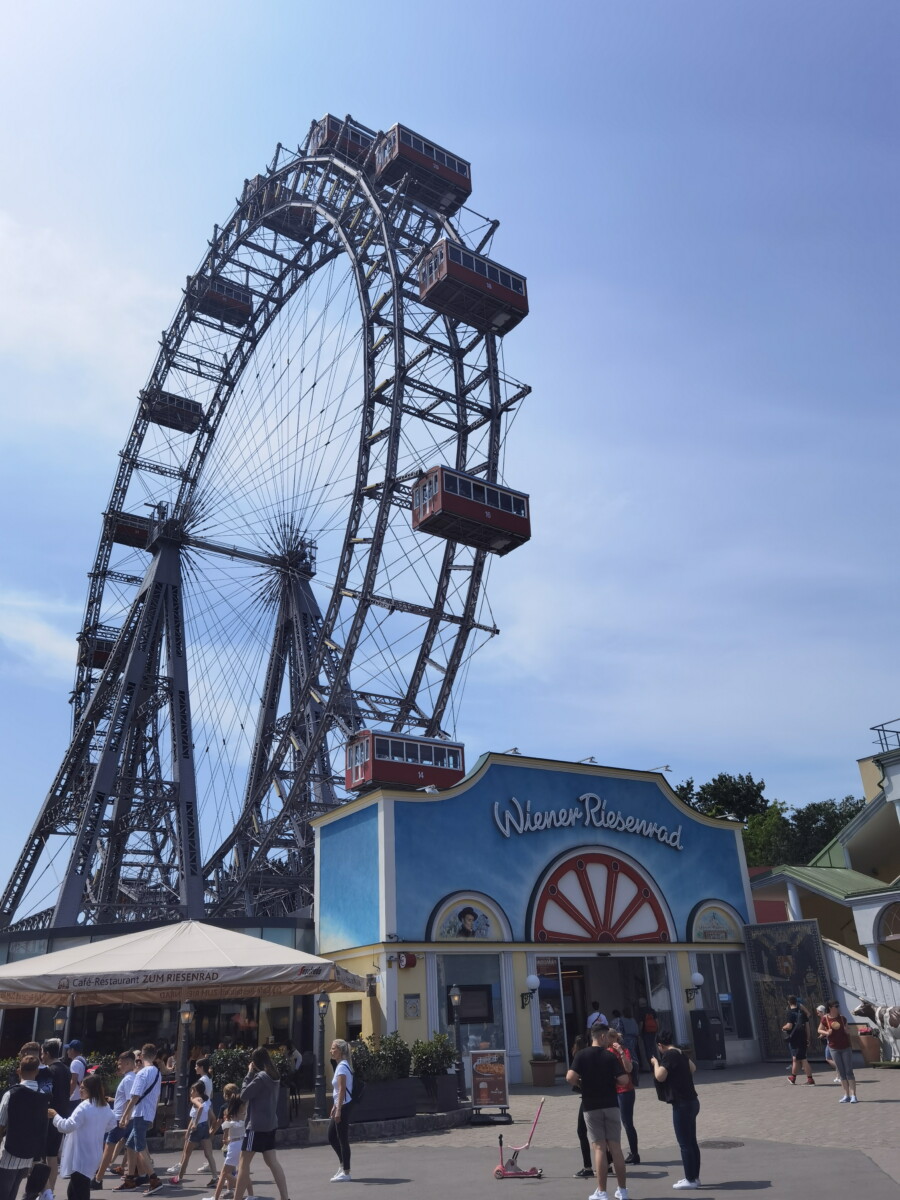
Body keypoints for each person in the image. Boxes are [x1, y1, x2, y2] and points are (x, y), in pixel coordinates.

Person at [566, 1023, 630, 1200]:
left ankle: (602, 1192)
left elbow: (570, 1077)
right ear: (602, 1037)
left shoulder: (581, 1055)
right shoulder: (609, 1057)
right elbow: (624, 1079)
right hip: (611, 1104)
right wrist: (612, 1082)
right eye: (606, 1037)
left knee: (599, 1148)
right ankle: (622, 1190)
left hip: (590, 1105)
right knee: (616, 1147)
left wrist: (582, 1084)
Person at [231, 1048, 288, 1200]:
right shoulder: (274, 1076)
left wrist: (249, 1073)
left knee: (243, 1163)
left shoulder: (261, 1077)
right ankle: (285, 1197)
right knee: (272, 1161)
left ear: (255, 1062)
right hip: (270, 1124)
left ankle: (236, 1198)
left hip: (256, 1126)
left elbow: (243, 1095)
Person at [49, 1074, 117, 1200]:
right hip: (94, 1155)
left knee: (80, 1192)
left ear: (91, 1090)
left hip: (82, 1156)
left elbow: (67, 1126)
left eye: (83, 1088)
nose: (79, 1090)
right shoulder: (104, 1106)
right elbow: (112, 1124)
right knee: (74, 1191)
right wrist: (98, 1130)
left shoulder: (85, 1106)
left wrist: (55, 1116)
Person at [651, 1030, 700, 1191]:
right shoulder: (679, 1052)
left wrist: (655, 1063)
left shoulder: (669, 1055)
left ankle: (690, 1179)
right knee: (691, 1141)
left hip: (681, 1103)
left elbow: (660, 1076)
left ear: (660, 1045)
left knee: (684, 1143)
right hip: (692, 1100)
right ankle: (695, 1177)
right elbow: (693, 1068)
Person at [0, 1055, 50, 1200]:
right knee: (13, 1191)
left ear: (19, 1070)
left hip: (9, 1152)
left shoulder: (12, 1094)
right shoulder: (43, 1096)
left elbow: (1, 1125)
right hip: (29, 1154)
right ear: (37, 1072)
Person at [116, 1042, 162, 1195]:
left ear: (141, 1056)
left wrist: (125, 1115)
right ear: (154, 1056)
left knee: (140, 1146)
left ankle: (154, 1179)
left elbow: (134, 1097)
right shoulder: (157, 1072)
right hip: (148, 1113)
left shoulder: (142, 1073)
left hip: (140, 1113)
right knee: (130, 1144)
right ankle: (130, 1178)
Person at [91, 1052, 137, 1188]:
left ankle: (98, 1179)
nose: (118, 1065)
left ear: (128, 1063)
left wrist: (124, 1117)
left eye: (120, 1063)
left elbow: (130, 1100)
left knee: (108, 1147)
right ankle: (137, 1176)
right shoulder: (131, 1078)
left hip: (120, 1119)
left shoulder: (128, 1079)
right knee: (133, 1148)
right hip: (126, 1118)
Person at [42, 1038, 75, 1196]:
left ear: (47, 1053)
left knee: (42, 1157)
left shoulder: (49, 1071)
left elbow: (45, 1094)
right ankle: (51, 1191)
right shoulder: (65, 1068)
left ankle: (46, 1192)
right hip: (62, 1114)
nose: (42, 1056)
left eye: (42, 1053)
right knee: (52, 1155)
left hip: (48, 1115)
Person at [168, 1084, 217, 1185]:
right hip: (204, 1127)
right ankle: (215, 1178)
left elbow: (200, 1109)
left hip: (197, 1128)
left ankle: (179, 1178)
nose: (191, 1092)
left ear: (197, 1091)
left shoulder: (195, 1099)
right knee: (209, 1155)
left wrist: (194, 1124)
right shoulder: (207, 1101)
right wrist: (212, 1129)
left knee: (187, 1154)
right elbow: (213, 1117)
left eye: (192, 1090)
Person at [203, 1086, 244, 1200]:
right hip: (242, 1144)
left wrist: (212, 1133)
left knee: (224, 1173)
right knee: (239, 1171)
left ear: (226, 1095)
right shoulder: (242, 1112)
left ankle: (216, 1197)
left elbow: (222, 1125)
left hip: (232, 1145)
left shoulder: (226, 1109)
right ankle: (235, 1191)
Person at [605, 1028, 639, 1166]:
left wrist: (620, 1052)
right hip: (612, 1091)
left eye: (606, 1037)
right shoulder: (605, 1052)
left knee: (627, 1123)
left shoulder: (623, 1050)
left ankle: (635, 1154)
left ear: (612, 1038)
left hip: (625, 1091)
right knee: (612, 1124)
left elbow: (629, 1069)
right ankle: (613, 1154)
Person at [327, 1038, 354, 1183]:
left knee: (342, 1139)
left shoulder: (342, 1066)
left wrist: (338, 1110)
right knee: (332, 1136)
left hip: (343, 1107)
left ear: (340, 1051)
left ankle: (346, 1172)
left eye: (333, 1048)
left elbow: (342, 1089)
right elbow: (339, 1090)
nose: (331, 1051)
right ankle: (343, 1165)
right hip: (340, 1105)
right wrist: (334, 1106)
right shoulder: (341, 1065)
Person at [820, 1000, 858, 1102]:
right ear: (830, 1007)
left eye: (838, 1005)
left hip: (845, 1047)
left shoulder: (842, 1018)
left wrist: (847, 1031)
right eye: (835, 1006)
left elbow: (848, 1030)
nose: (837, 1007)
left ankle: (853, 1095)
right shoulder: (825, 1018)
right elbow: (819, 1030)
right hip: (833, 1048)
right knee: (841, 1072)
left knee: (849, 1071)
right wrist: (827, 1032)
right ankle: (846, 1095)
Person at [569, 1035, 594, 1181]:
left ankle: (587, 1167)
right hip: (604, 1097)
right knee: (602, 1135)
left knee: (582, 1131)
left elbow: (571, 1077)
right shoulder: (598, 1054)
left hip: (588, 1098)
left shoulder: (580, 1056)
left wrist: (579, 1084)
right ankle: (608, 1163)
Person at [782, 996, 814, 1084]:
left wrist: (783, 1028)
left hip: (794, 1039)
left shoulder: (790, 1013)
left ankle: (809, 1079)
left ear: (789, 1002)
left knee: (801, 1058)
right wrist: (808, 1038)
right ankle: (793, 1077)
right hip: (803, 1037)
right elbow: (807, 1027)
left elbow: (789, 1026)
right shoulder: (803, 1013)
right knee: (797, 1058)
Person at [65, 1043, 88, 1109]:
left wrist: (68, 1095)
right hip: (80, 1095)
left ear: (72, 1050)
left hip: (74, 1097)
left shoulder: (75, 1063)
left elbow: (73, 1081)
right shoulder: (82, 1060)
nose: (67, 1052)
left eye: (68, 1049)